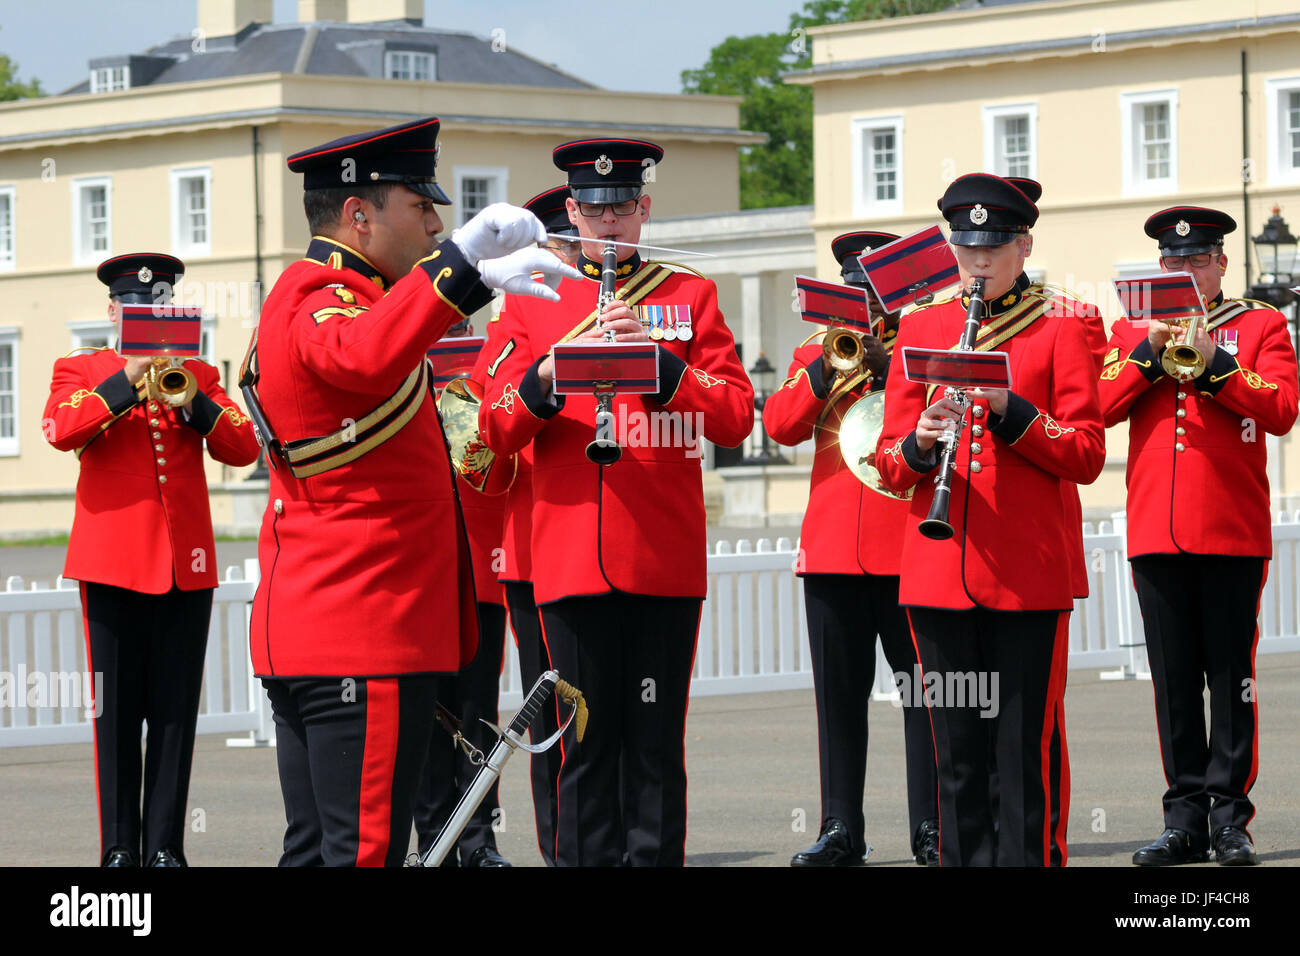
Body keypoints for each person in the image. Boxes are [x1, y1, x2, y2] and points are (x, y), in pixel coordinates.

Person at [243, 115, 577, 866]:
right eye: (420, 209)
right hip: (362, 627)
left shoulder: (351, 295)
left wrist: (470, 282)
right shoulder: (321, 296)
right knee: (362, 852)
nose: (434, 224)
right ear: (358, 216)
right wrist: (460, 264)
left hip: (336, 625)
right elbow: (362, 358)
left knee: (319, 852)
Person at [478, 138, 754, 866]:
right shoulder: (534, 296)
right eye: (592, 208)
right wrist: (545, 375)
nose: (607, 222)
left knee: (657, 746)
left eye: (622, 206)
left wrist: (664, 366)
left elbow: (733, 416)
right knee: (584, 751)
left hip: (662, 556)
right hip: (567, 558)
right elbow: (495, 426)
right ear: (569, 211)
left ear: (644, 209)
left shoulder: (688, 294)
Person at [873, 173, 1105, 866]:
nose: (979, 260)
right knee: (956, 755)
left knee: (1023, 752)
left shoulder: (1060, 326)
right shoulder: (922, 327)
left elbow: (1086, 452)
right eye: (967, 245)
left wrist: (1014, 413)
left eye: (995, 246)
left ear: (1023, 245)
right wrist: (920, 440)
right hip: (938, 572)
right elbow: (886, 464)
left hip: (1026, 571)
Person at [43, 252, 260, 866]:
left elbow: (242, 447)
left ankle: (165, 847)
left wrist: (193, 402)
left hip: (183, 567)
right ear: (113, 310)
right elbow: (61, 429)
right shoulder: (79, 368)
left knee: (172, 714)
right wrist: (126, 379)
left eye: (159, 303)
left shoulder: (196, 373)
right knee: (116, 717)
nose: (147, 311)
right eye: (135, 305)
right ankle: (118, 848)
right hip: (112, 564)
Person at [1099, 205, 1298, 867]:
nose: (1187, 269)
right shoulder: (1132, 329)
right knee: (1173, 680)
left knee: (1230, 678)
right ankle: (1182, 818)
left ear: (1221, 264)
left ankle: (1229, 820)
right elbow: (1096, 406)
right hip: (1158, 526)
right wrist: (1146, 357)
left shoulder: (1259, 323)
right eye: (1175, 261)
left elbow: (1280, 409)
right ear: (1162, 267)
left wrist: (1215, 364)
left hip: (1231, 528)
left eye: (1199, 259)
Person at [763, 230, 939, 867]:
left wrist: (891, 362)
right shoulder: (819, 348)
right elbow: (779, 424)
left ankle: (932, 826)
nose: (863, 296)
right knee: (838, 696)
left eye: (874, 285)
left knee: (924, 696)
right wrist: (829, 366)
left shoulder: (926, 343)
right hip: (835, 546)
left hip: (910, 544)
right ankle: (841, 827)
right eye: (854, 284)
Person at [471, 184, 579, 866]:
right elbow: (495, 411)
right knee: (557, 711)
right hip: (537, 545)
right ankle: (565, 846)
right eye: (565, 250)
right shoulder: (519, 317)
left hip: (607, 538)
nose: (577, 266)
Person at [412, 315, 513, 868]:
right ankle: (432, 837)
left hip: (479, 567)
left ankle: (477, 839)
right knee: (426, 714)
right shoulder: (404, 381)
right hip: (420, 573)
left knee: (476, 712)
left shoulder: (484, 380)